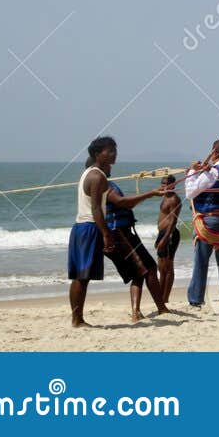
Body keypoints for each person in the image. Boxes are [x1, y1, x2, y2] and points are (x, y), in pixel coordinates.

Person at [104, 175, 171, 322]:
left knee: (138, 273)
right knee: (151, 268)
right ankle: (161, 308)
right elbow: (122, 203)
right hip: (120, 232)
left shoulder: (107, 184)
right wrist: (150, 193)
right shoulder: (104, 184)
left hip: (123, 231)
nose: (111, 166)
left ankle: (136, 312)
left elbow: (125, 204)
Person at [184, 139, 219, 308]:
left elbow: (190, 193)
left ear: (214, 152)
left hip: (211, 223)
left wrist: (191, 172)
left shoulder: (212, 172)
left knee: (201, 260)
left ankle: (196, 299)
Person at [68, 136, 117, 328]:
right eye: (109, 150)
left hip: (80, 227)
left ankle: (76, 318)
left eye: (115, 150)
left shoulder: (89, 171)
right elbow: (97, 209)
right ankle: (77, 319)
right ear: (98, 154)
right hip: (89, 227)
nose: (114, 154)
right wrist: (106, 234)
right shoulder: (97, 177)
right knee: (83, 276)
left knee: (80, 276)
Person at [154, 175, 182, 305]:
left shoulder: (174, 199)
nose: (164, 186)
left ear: (173, 185)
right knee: (161, 267)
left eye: (166, 184)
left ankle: (165, 298)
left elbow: (173, 222)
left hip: (169, 235)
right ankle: (160, 296)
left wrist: (165, 239)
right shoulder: (165, 196)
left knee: (168, 267)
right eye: (162, 184)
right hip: (162, 233)